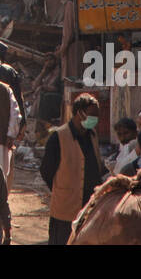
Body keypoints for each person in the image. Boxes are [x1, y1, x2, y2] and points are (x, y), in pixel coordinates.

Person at [41, 92, 102, 245]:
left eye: (96, 115)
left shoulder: (92, 135)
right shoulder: (58, 137)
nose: (95, 119)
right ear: (79, 113)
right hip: (64, 209)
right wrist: (60, 189)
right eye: (91, 115)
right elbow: (46, 171)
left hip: (89, 208)